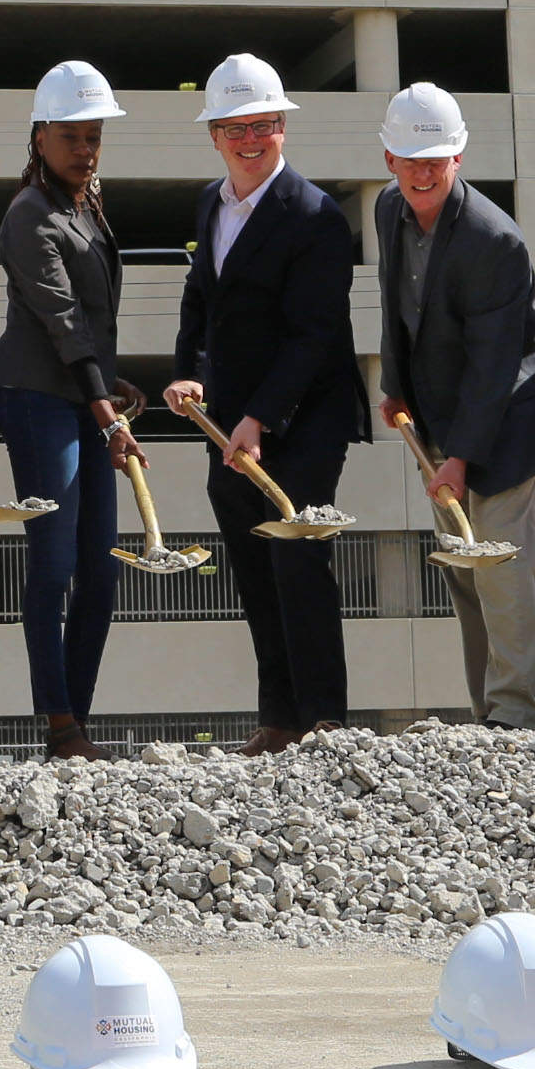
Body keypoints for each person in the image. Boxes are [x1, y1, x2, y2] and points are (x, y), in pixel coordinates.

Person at [166, 51, 365, 753]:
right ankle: (278, 721)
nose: (251, 141)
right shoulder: (209, 203)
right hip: (229, 422)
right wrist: (190, 371)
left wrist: (260, 418)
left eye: (265, 126)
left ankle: (324, 719)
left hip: (303, 420)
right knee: (253, 566)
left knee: (297, 561)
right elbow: (201, 301)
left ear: (284, 127)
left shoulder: (315, 217)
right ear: (214, 136)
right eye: (235, 129)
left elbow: (313, 337)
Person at [373, 81, 535, 732]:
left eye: (438, 159)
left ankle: (515, 713)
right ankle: (485, 709)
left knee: (499, 562)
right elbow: (397, 305)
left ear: (459, 158)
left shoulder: (494, 241)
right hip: (434, 411)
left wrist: (460, 458)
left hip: (508, 415)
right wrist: (395, 385)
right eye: (412, 160)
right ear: (390, 162)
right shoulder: (387, 209)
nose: (425, 172)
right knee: (465, 568)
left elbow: (495, 367)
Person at [0, 59, 134, 762]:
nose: (85, 148)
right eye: (72, 136)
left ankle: (77, 719)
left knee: (100, 568)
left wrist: (110, 386)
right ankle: (58, 721)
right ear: (40, 136)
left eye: (94, 136)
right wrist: (103, 406)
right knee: (53, 564)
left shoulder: (84, 204)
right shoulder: (28, 214)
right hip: (40, 400)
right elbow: (61, 318)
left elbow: (91, 325)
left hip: (82, 395)